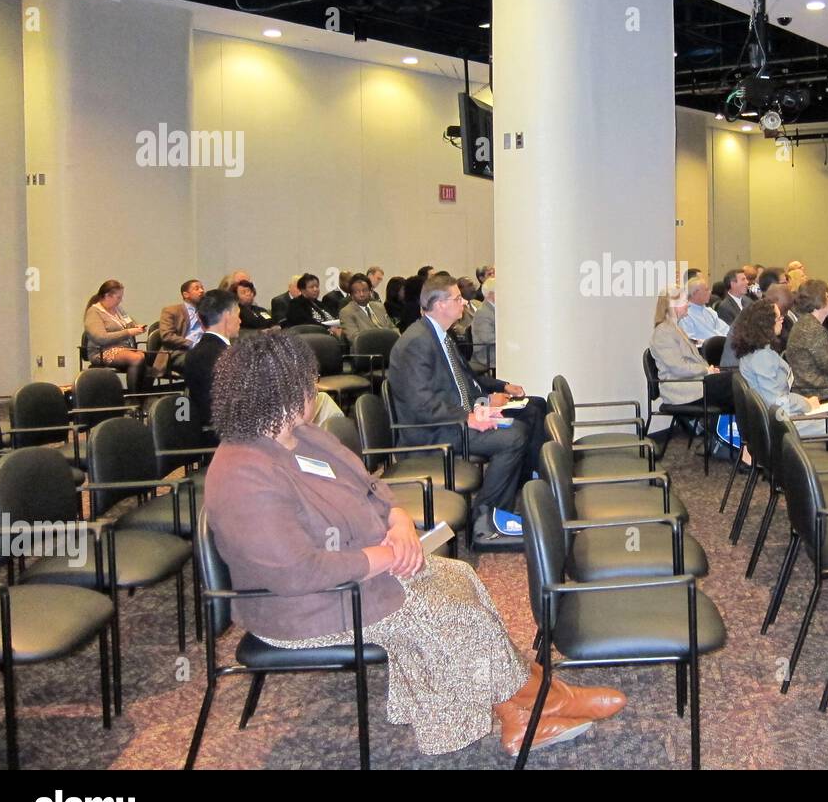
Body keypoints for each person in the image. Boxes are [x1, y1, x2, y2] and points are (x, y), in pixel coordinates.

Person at [203, 331, 624, 757]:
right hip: (306, 607)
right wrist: (383, 556)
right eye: (308, 383)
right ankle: (540, 701)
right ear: (286, 393)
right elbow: (296, 573)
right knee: (443, 610)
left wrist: (398, 520)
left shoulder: (303, 436)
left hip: (357, 576)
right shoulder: (244, 472)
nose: (314, 390)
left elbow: (370, 487)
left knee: (459, 576)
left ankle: (523, 706)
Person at [388, 272, 537, 544]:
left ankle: (500, 507)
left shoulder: (439, 335)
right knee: (513, 436)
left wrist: (488, 399)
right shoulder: (416, 343)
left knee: (524, 418)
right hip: (430, 431)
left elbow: (465, 381)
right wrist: (469, 417)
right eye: (457, 299)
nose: (464, 303)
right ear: (441, 304)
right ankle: (484, 518)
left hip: (450, 418)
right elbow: (422, 404)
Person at [734, 300, 828, 444]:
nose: (782, 319)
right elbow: (777, 401)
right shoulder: (762, 357)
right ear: (764, 324)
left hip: (782, 415)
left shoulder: (757, 351)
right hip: (782, 422)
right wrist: (806, 403)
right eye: (778, 317)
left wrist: (804, 402)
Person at [649, 287, 733, 408]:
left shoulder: (676, 329)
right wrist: (706, 370)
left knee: (734, 381)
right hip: (680, 388)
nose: (688, 304)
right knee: (732, 384)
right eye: (684, 301)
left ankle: (721, 425)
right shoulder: (663, 333)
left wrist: (710, 370)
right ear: (673, 306)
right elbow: (678, 368)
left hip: (693, 381)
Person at [784, 279, 828, 401]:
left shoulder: (806, 323)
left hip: (812, 388)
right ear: (818, 301)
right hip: (820, 393)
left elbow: (823, 355)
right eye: (827, 296)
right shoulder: (813, 329)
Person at [183, 289, 241, 434]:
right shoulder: (224, 355)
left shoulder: (196, 353)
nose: (240, 320)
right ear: (228, 315)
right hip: (224, 433)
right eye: (238, 315)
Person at [83, 280, 149, 392]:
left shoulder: (118, 310)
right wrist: (128, 333)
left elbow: (129, 324)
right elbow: (101, 338)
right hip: (102, 351)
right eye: (118, 297)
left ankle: (144, 392)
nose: (120, 300)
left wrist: (137, 327)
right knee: (137, 358)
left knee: (151, 358)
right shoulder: (94, 312)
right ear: (107, 296)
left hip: (124, 349)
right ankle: (134, 397)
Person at [155, 279, 206, 373]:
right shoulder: (171, 311)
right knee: (199, 363)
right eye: (197, 288)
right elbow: (167, 336)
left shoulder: (206, 311)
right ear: (186, 294)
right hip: (180, 351)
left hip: (204, 350)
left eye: (202, 288)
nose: (201, 291)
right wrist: (191, 344)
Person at [340, 273, 395, 345]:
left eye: (364, 290)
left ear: (370, 291)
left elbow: (392, 327)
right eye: (357, 292)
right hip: (367, 350)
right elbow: (355, 338)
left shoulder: (379, 307)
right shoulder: (346, 312)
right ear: (352, 295)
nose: (361, 294)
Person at [285, 273, 344, 338]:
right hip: (313, 337)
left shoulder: (319, 303)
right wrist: (328, 328)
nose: (315, 289)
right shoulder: (295, 304)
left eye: (317, 286)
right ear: (302, 290)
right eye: (311, 287)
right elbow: (306, 323)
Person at [680, 277, 730, 342]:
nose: (710, 292)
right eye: (706, 290)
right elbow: (690, 340)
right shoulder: (685, 315)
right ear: (695, 293)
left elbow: (726, 330)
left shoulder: (710, 311)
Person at [470, 276, 497, 371]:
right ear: (491, 294)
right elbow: (487, 338)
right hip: (487, 354)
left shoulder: (495, 309)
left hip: (497, 349)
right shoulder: (483, 312)